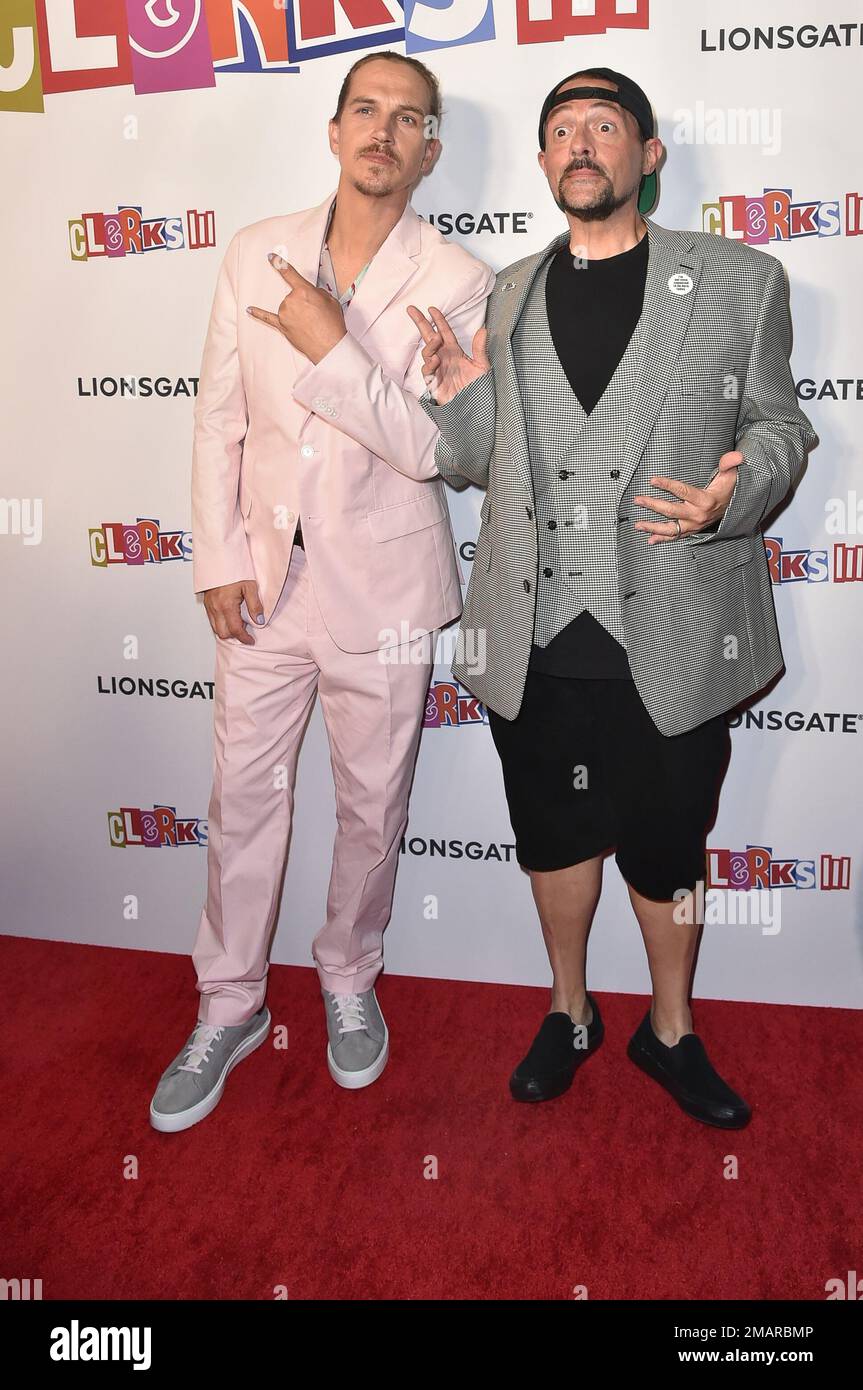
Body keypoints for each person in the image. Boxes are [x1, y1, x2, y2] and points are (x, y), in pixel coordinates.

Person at [412, 67, 817, 1128]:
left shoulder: (739, 278)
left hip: (673, 631)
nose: (579, 144)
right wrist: (458, 398)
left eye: (603, 126)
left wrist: (740, 487)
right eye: (559, 131)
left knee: (669, 847)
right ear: (544, 165)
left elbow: (780, 429)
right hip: (537, 635)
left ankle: (669, 1026)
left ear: (647, 155)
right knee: (549, 836)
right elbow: (482, 466)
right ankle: (570, 1009)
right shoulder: (504, 293)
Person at [149, 51, 494, 1133]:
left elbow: (434, 449)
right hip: (262, 584)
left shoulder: (459, 278)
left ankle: (348, 974)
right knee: (239, 798)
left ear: (431, 148)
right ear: (334, 128)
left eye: (409, 120)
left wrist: (330, 348)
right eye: (366, 112)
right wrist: (216, 558)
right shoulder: (253, 250)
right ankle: (229, 1001)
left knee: (369, 804)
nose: (383, 133)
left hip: (386, 589)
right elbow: (217, 416)